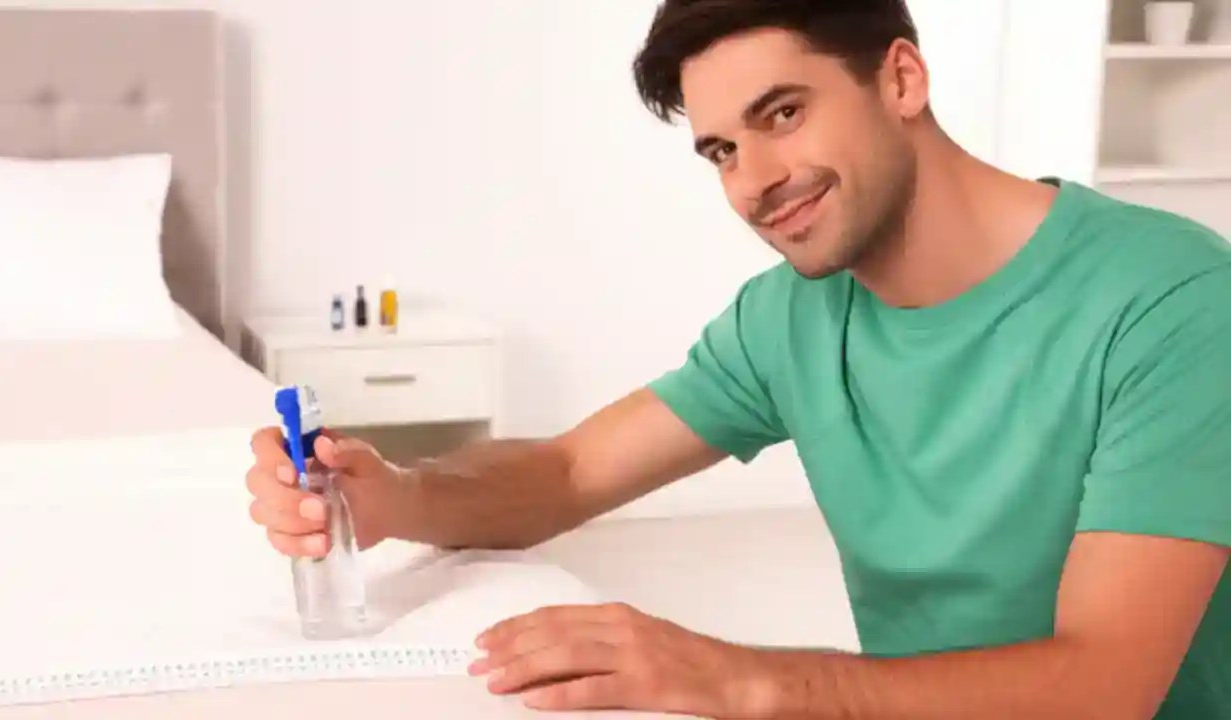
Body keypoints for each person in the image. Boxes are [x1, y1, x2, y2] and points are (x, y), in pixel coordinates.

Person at [246, 0, 1231, 716]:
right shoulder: (791, 317)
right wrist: (396, 496)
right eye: (720, 150)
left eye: (782, 114)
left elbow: (1102, 687)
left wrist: (737, 677)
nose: (754, 182)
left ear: (900, 79)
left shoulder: (1171, 300)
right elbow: (568, 472)